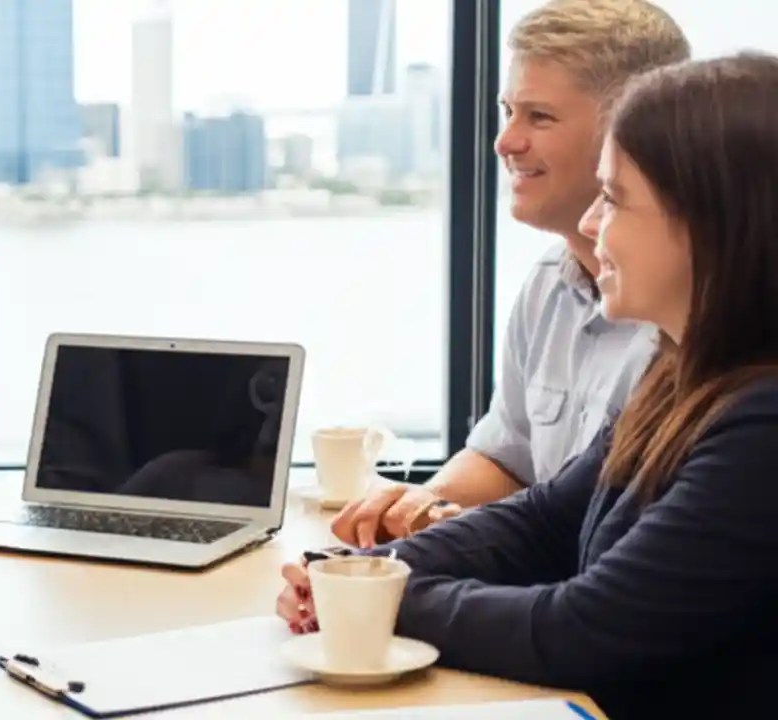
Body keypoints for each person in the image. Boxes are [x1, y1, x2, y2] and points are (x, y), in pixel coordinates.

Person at [281, 51, 778, 720]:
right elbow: (545, 519)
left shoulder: (762, 427)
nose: (593, 225)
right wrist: (356, 569)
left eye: (616, 199)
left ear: (710, 224)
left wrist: (378, 596)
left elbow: (584, 629)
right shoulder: (680, 377)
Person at [331, 0, 690, 547]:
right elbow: (507, 458)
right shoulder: (550, 282)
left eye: (538, 117)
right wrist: (420, 505)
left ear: (633, 129)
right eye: (508, 111)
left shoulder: (688, 314)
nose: (505, 141)